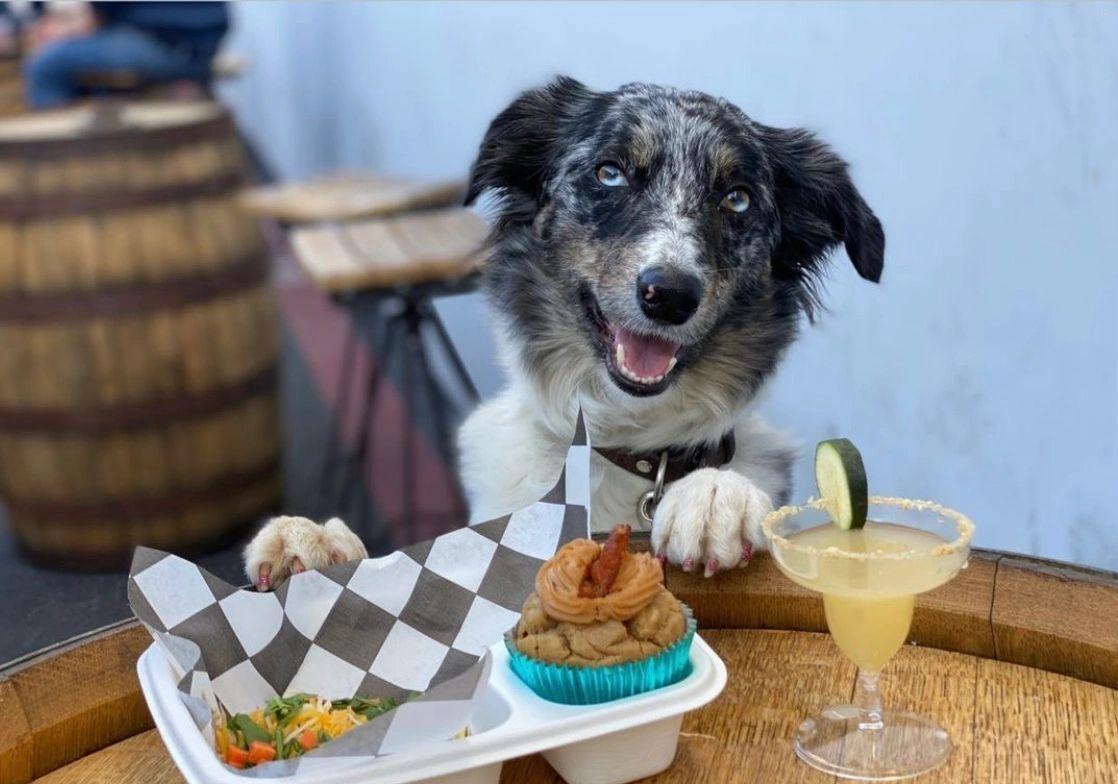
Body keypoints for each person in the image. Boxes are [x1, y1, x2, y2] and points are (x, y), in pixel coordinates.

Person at [22, 2, 229, 109]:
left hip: (169, 44)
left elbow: (97, 18)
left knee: (46, 65)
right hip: (201, 42)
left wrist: (60, 31)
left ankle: (59, 167)